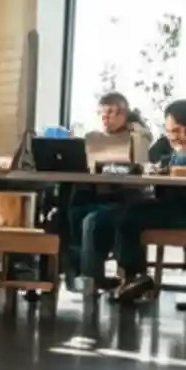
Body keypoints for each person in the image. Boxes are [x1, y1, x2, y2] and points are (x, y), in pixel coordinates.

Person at [113, 99, 186, 304]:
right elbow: (150, 162)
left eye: (184, 131)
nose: (180, 137)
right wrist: (155, 167)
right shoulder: (164, 143)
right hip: (169, 206)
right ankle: (137, 276)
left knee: (139, 214)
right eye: (173, 131)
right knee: (128, 215)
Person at [69, 92, 155, 291]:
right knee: (72, 213)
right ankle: (79, 273)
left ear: (124, 114)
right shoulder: (93, 139)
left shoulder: (137, 137)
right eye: (102, 113)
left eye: (112, 113)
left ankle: (90, 279)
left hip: (126, 198)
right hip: (99, 193)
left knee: (93, 220)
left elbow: (141, 166)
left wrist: (138, 132)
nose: (105, 118)